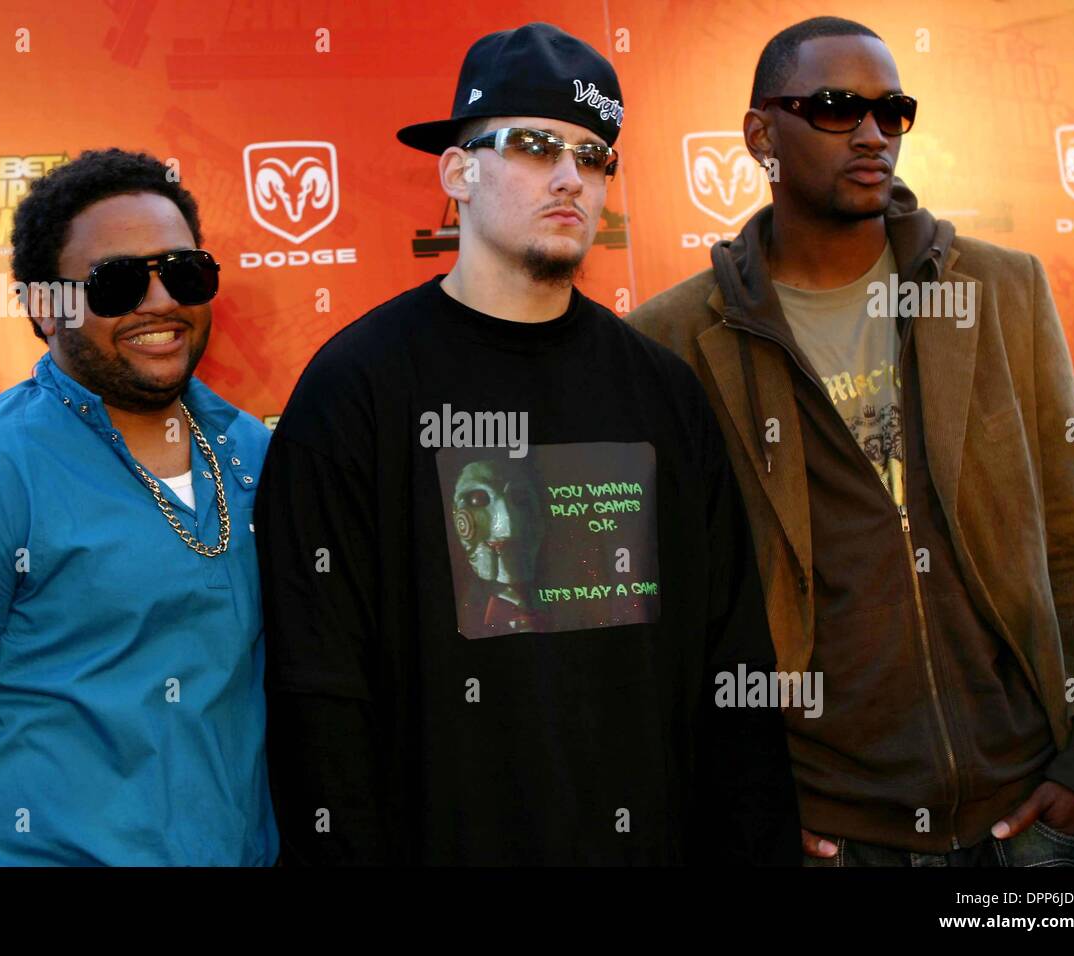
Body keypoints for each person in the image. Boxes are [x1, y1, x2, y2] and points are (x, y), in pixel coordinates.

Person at [256, 22, 800, 865]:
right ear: (457, 172)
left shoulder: (660, 392)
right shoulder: (356, 389)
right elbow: (320, 690)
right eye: (536, 144)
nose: (570, 178)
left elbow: (730, 654)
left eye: (594, 156)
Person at [630, 16, 1074, 866]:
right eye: (834, 108)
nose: (870, 134)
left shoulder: (1001, 289)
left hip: (1035, 825)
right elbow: (671, 618)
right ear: (760, 136)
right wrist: (748, 804)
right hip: (836, 838)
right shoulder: (673, 341)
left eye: (891, 111)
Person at [0, 148, 278, 866]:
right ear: (43, 306)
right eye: (117, 282)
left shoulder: (253, 453)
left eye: (185, 272)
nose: (161, 301)